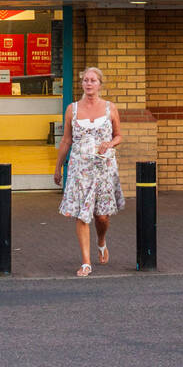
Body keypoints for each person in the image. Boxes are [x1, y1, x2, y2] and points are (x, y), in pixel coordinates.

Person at [55, 66, 124, 277]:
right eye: (85, 80)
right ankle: (86, 262)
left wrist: (109, 143)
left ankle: (101, 241)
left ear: (100, 84)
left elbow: (119, 136)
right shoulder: (72, 109)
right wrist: (58, 167)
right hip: (80, 169)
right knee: (82, 215)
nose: (89, 83)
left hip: (103, 168)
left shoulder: (110, 108)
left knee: (101, 217)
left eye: (93, 80)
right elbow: (66, 140)